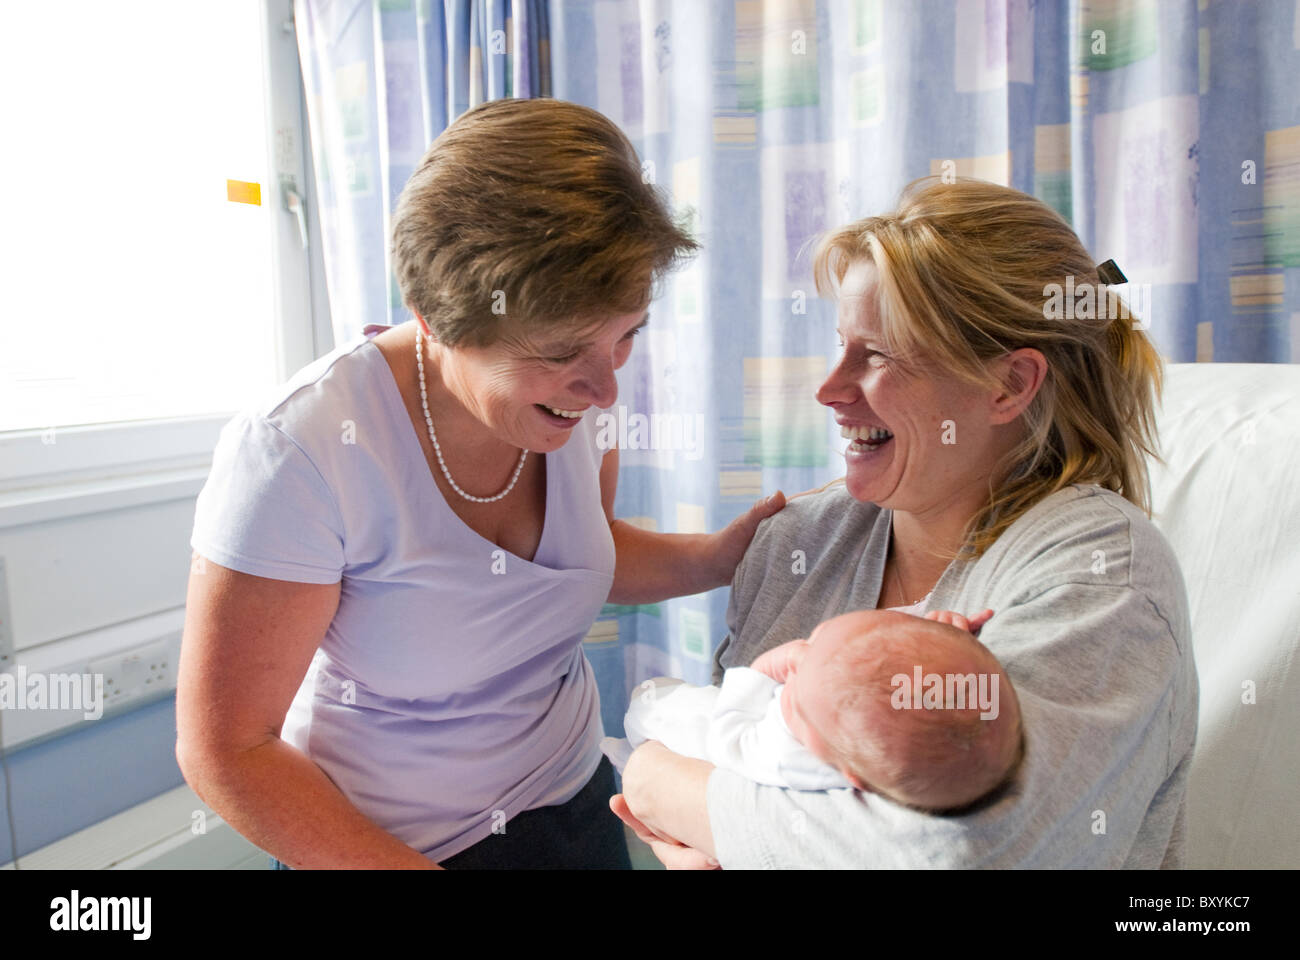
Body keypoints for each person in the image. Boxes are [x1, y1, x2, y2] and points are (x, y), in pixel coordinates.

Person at [173, 98, 787, 870]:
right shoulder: (302, 453)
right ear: (436, 319)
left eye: (626, 334)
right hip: (388, 846)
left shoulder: (573, 409)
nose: (606, 389)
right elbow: (228, 751)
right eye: (565, 350)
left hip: (573, 801)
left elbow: (575, 556)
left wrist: (716, 557)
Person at [611, 175, 1199, 869]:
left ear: (1009, 385)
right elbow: (730, 750)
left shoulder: (1103, 574)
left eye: (878, 354)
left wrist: (657, 782)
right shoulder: (798, 544)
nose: (828, 391)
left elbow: (956, 855)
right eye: (840, 345)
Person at [602, 607, 1022, 815]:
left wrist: (765, 669)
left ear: (851, 778)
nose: (801, 658)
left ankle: (627, 737)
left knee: (650, 705)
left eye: (797, 703)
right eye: (820, 637)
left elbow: (729, 734)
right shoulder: (874, 743)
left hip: (690, 733)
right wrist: (940, 633)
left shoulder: (787, 758)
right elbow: (890, 666)